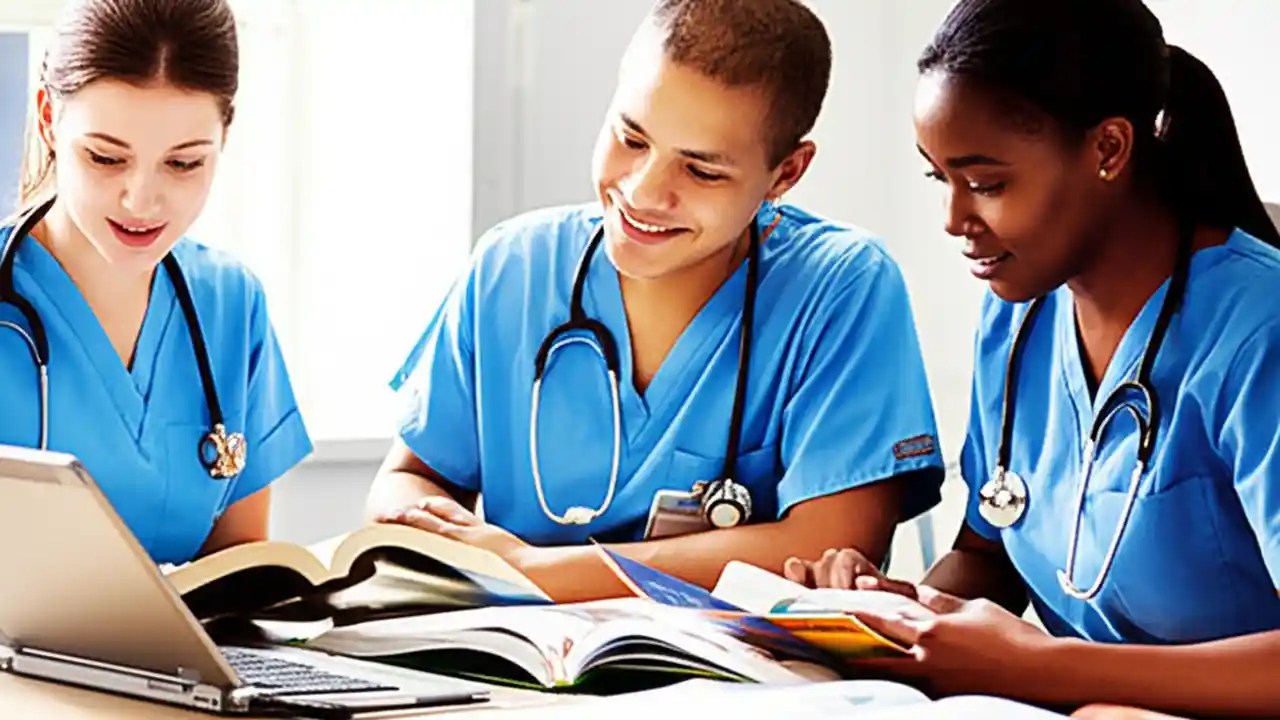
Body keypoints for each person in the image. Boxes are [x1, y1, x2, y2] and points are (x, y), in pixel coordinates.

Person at [784, 0, 1280, 716]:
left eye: (985, 183)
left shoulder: (1256, 332)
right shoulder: (1020, 315)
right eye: (939, 180)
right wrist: (901, 614)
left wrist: (1044, 667)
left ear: (1109, 149)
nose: (954, 220)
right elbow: (987, 558)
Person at [366, 0, 945, 603]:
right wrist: (435, 527)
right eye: (631, 138)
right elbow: (411, 477)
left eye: (700, 171)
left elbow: (829, 544)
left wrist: (530, 570)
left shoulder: (839, 287)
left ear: (785, 173)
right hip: (520, 663)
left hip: (748, 683)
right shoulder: (511, 268)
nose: (643, 192)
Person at [0, 0, 311, 566]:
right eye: (105, 158)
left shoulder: (230, 306)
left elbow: (236, 581)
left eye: (184, 164)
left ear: (225, 135)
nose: (141, 201)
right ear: (48, 117)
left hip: (181, 658)